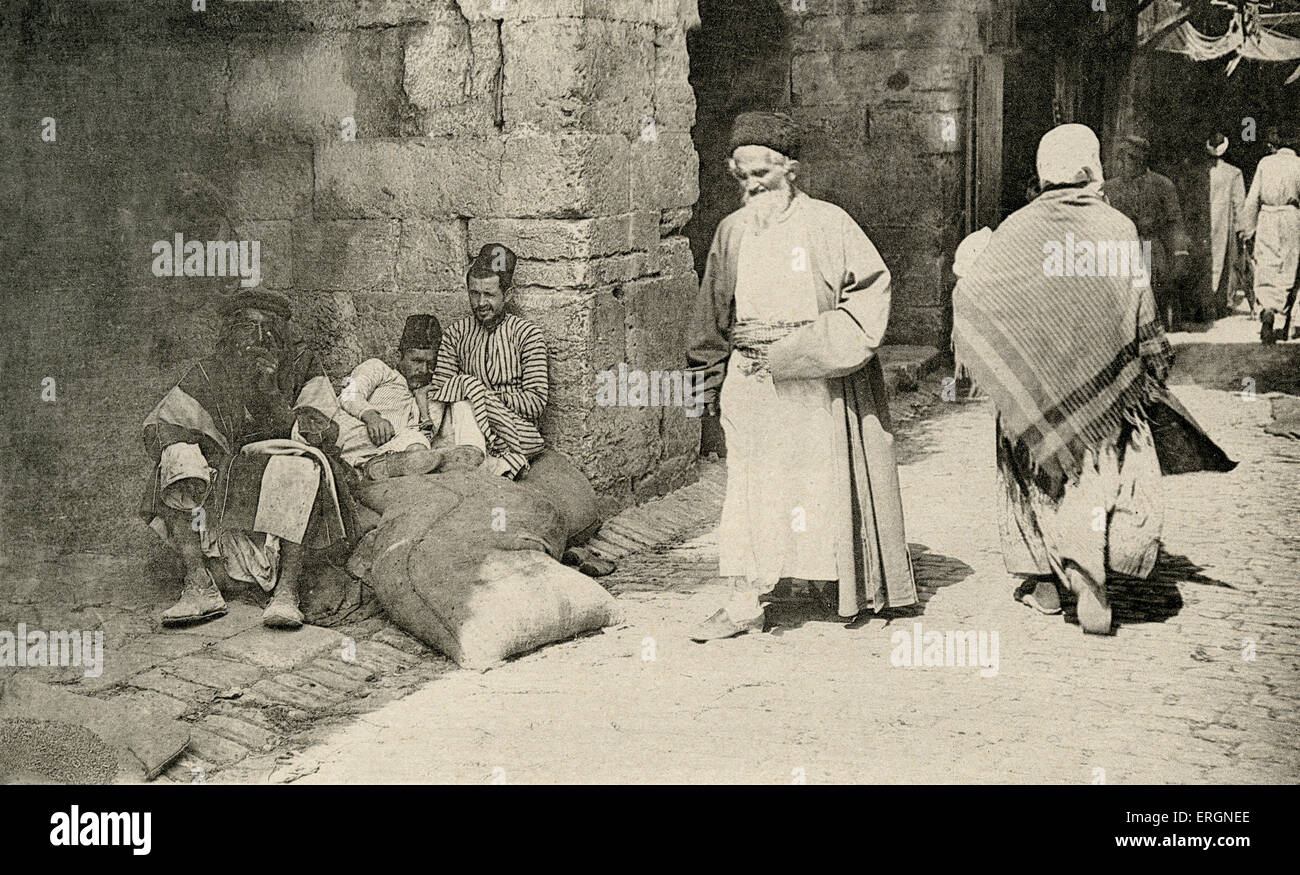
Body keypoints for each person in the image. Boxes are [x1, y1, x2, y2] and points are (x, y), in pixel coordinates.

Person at [686, 110, 916, 642]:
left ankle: (826, 580)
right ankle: (745, 601)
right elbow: (710, 316)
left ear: (790, 169)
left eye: (762, 173)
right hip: (751, 382)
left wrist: (803, 347)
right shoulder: (732, 231)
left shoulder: (830, 224)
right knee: (751, 488)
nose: (752, 185)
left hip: (816, 382)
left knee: (815, 482)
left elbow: (871, 291)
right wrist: (709, 386)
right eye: (742, 176)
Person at [953, 124, 1171, 635]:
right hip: (1105, 388)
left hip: (1037, 388)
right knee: (1098, 475)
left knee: (1032, 474)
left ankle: (1046, 583)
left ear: (1043, 170)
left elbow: (976, 293)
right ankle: (1090, 572)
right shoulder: (1117, 228)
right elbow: (1140, 305)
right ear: (1092, 168)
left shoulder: (1017, 230)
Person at [140, 290, 355, 630]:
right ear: (230, 334)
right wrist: (197, 449)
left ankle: (287, 592)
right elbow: (160, 425)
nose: (258, 338)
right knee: (176, 455)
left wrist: (271, 394)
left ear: (280, 335)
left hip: (283, 483)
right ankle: (199, 585)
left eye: (267, 328)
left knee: (301, 464)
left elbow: (319, 436)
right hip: (226, 483)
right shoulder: (210, 371)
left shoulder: (302, 364)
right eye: (247, 327)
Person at [428, 243, 549, 478]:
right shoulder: (456, 334)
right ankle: (480, 464)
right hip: (465, 424)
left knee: (466, 396)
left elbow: (536, 403)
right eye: (474, 294)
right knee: (459, 405)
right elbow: (439, 391)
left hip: (514, 431)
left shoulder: (527, 335)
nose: (481, 303)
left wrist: (483, 398)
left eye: (489, 294)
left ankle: (472, 466)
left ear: (508, 294)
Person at [336, 314, 446, 480]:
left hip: (383, 451)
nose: (423, 370)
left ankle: (373, 467)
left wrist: (422, 403)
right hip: (350, 433)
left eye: (430, 363)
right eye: (416, 361)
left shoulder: (427, 395)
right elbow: (349, 394)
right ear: (398, 356)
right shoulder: (379, 369)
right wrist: (372, 417)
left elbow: (424, 438)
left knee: (417, 442)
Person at [1104, 135, 1191, 329]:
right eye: (1120, 159)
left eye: (1126, 159)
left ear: (1139, 161)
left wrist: (1179, 254)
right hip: (1120, 251)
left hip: (1151, 249)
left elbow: (1174, 222)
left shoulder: (1163, 185)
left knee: (1153, 298)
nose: (1121, 164)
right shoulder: (1110, 188)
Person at [1240, 124, 1300, 343]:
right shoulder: (1299, 165)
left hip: (1267, 216)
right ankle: (1288, 319)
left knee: (1266, 262)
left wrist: (1248, 229)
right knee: (1289, 265)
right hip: (1291, 217)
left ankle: (1267, 309)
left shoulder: (1265, 163)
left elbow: (1253, 197)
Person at [1206, 133, 1247, 316]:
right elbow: (1239, 203)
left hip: (1205, 221)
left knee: (1207, 260)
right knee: (1227, 260)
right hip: (1224, 221)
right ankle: (1223, 301)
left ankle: (1205, 301)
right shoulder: (1234, 173)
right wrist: (1242, 228)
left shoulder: (1201, 172)